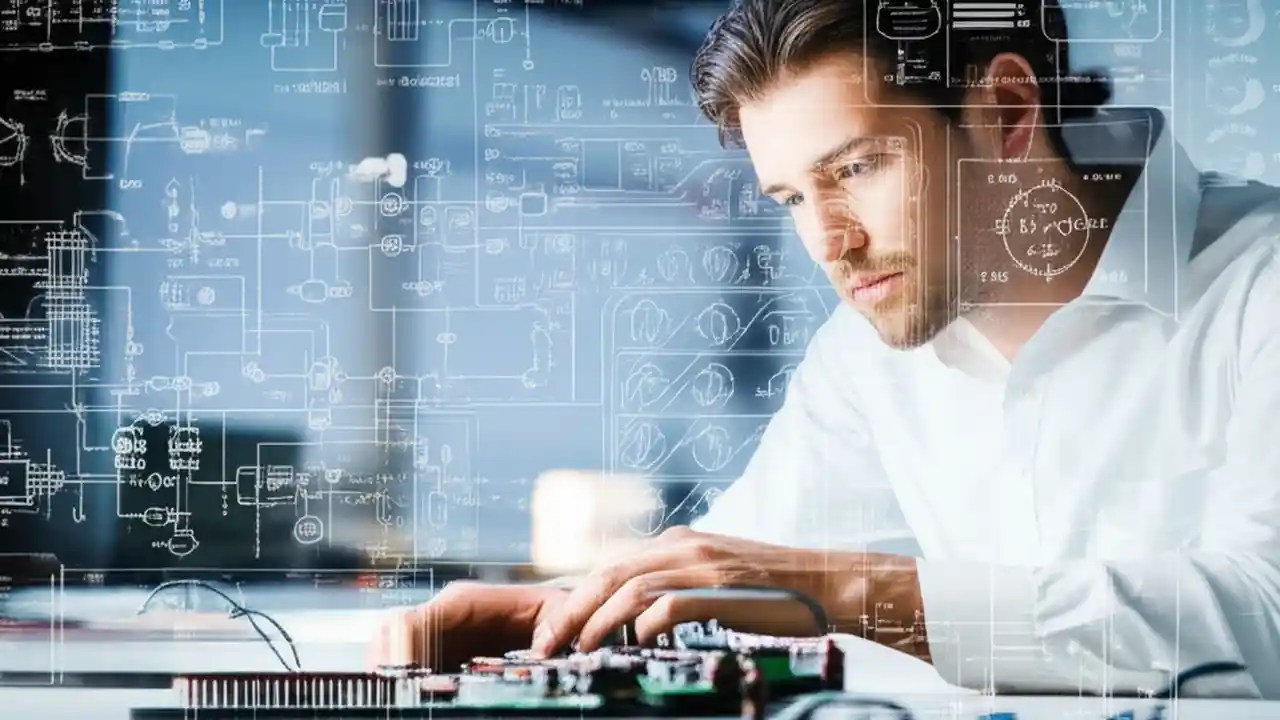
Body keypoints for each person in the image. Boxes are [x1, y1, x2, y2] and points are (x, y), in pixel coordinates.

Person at [370, 0, 1280, 697]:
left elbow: (1263, 619)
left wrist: (857, 591)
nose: (829, 243)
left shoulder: (1260, 284)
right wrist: (556, 611)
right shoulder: (869, 351)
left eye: (855, 169)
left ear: (1004, 109)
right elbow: (742, 571)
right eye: (791, 198)